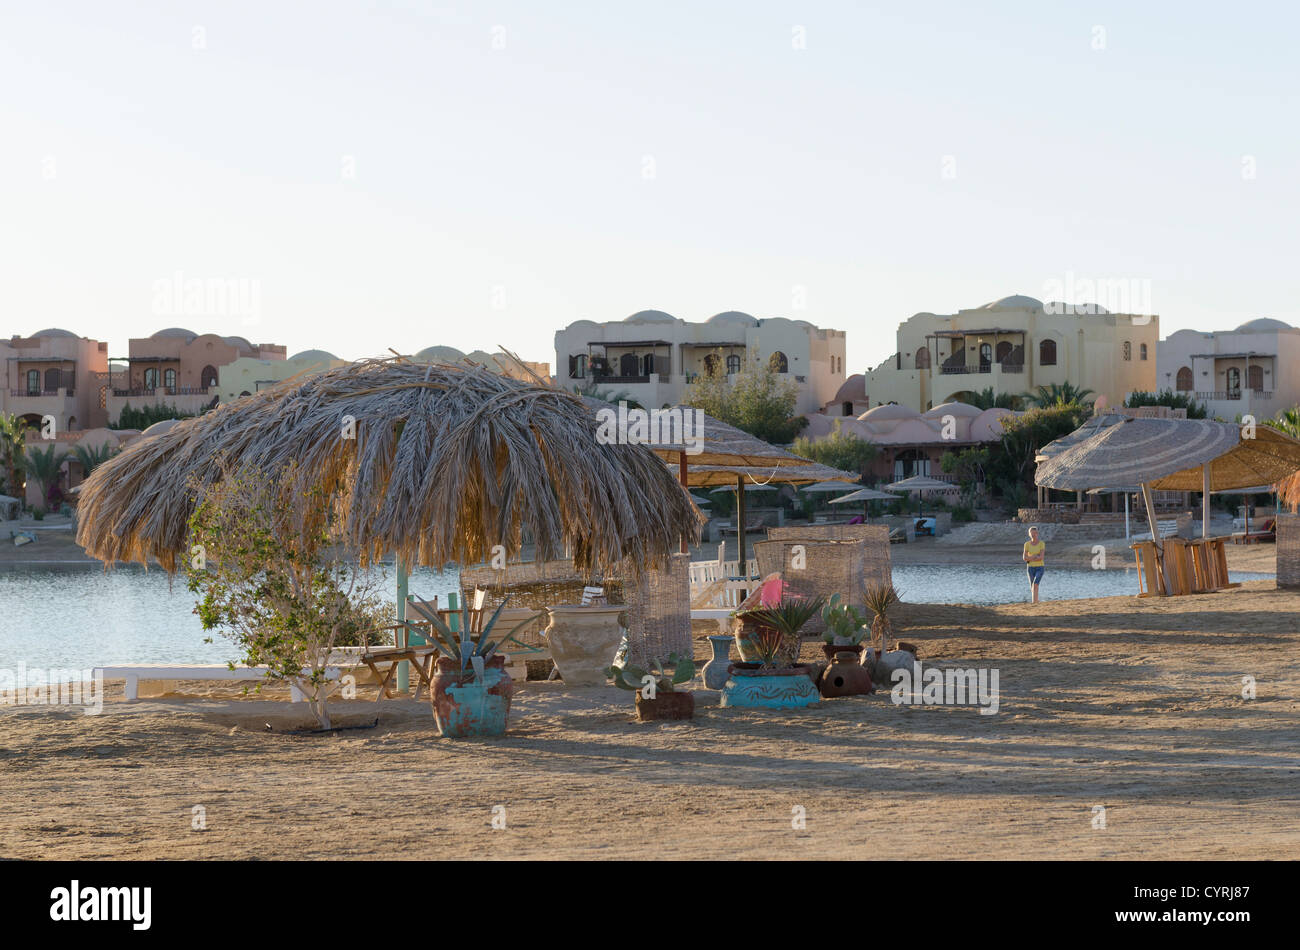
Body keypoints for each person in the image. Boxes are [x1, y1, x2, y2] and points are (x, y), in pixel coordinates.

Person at [1023, 526, 1046, 603]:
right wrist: (1035, 556)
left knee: (1035, 584)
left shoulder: (1041, 543)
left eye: (1034, 533)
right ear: (1029, 534)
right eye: (1031, 533)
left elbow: (1041, 557)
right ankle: (1036, 601)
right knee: (1032, 586)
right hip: (1030, 568)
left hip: (1040, 567)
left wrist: (1030, 557)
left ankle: (1034, 602)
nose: (1033, 535)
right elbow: (1024, 558)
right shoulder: (1027, 544)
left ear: (1037, 534)